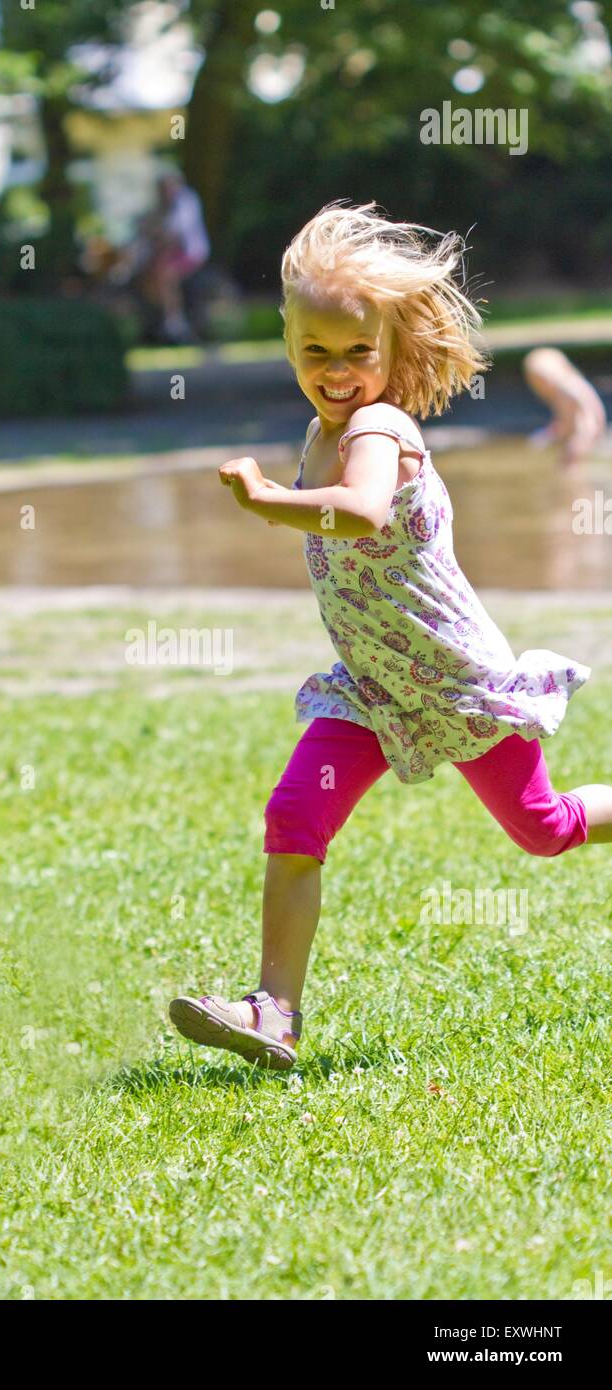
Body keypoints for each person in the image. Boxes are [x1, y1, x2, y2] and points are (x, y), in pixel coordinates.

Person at [169, 201, 612, 1072]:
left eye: (358, 353)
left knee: (544, 829)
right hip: (372, 687)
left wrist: (268, 500)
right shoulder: (322, 428)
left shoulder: (380, 429)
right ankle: (274, 1012)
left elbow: (363, 508)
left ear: (393, 347)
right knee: (295, 818)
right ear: (290, 343)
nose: (337, 373)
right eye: (315, 353)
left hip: (452, 679)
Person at [137, 171, 210, 343]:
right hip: (173, 252)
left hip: (192, 252)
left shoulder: (185, 202)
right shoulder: (165, 204)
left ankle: (174, 319)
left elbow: (174, 235)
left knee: (165, 274)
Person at [522, 346, 607, 468]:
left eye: (537, 379)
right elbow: (566, 420)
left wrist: (585, 438)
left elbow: (593, 412)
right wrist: (548, 434)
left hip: (583, 438)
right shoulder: (559, 391)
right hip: (576, 438)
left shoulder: (570, 387)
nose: (536, 386)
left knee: (572, 473)